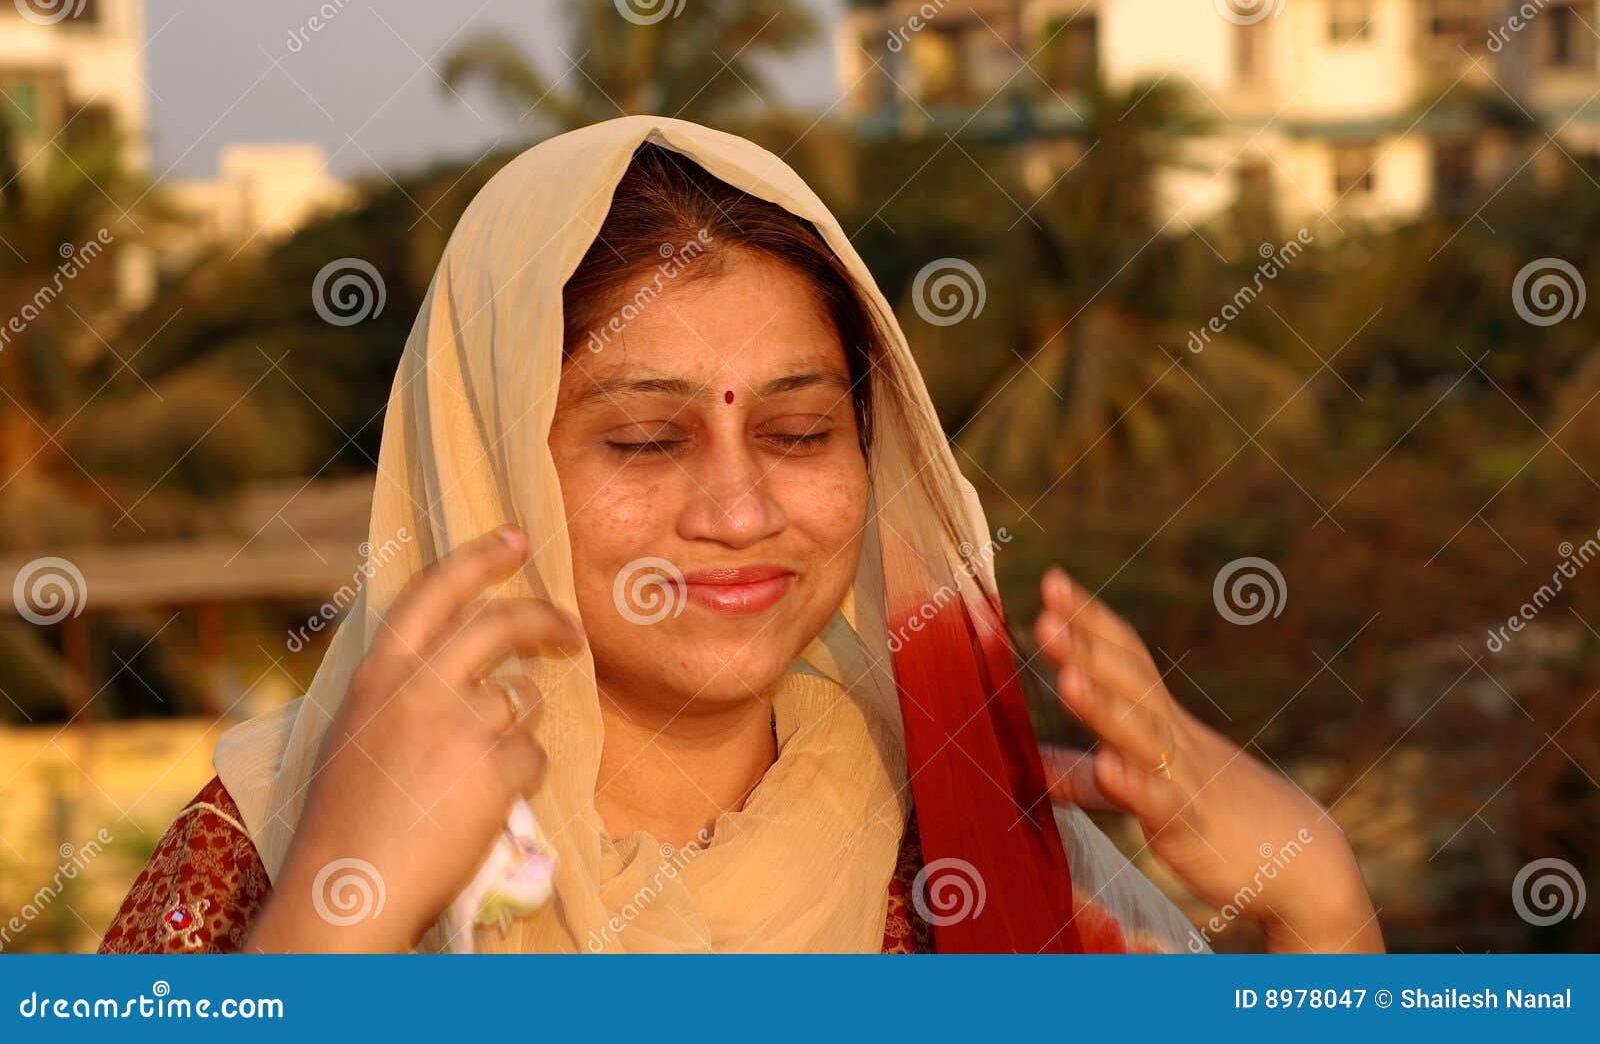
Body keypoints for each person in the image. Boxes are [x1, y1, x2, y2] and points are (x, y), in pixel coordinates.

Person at [100, 117, 1381, 954]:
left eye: (801, 431)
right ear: (490, 471)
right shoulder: (286, 841)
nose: (737, 511)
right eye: (646, 441)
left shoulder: (978, 851)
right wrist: (342, 911)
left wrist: (1314, 896)